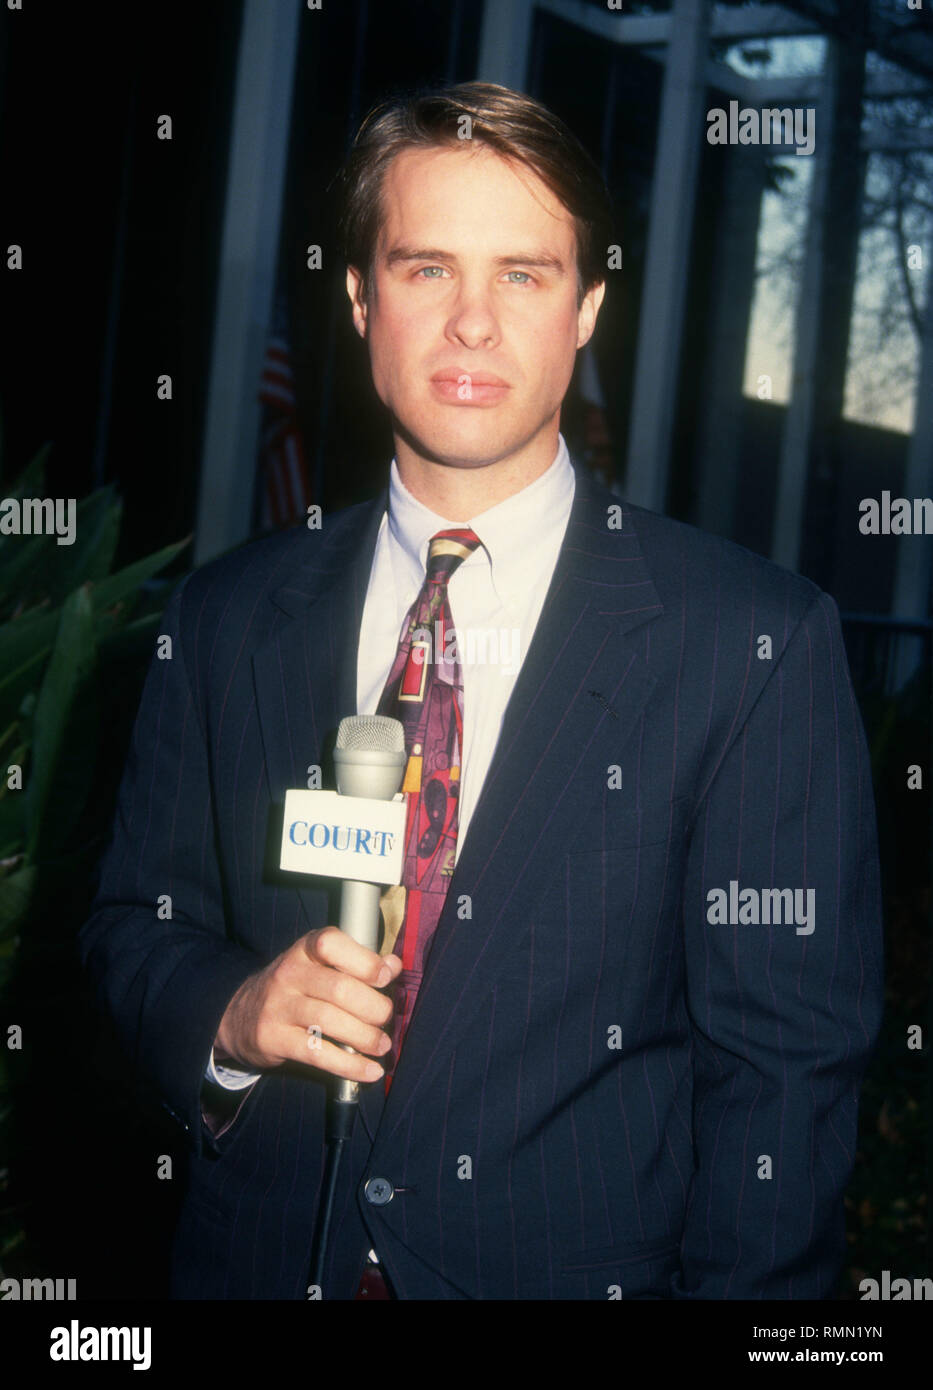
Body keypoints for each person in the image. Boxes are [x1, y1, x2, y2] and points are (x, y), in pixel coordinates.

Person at [79, 82, 884, 1301]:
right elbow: (131, 926)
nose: (471, 323)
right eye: (425, 269)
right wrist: (233, 1012)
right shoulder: (226, 615)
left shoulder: (753, 643)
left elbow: (784, 1081)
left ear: (586, 310)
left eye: (523, 274)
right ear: (359, 298)